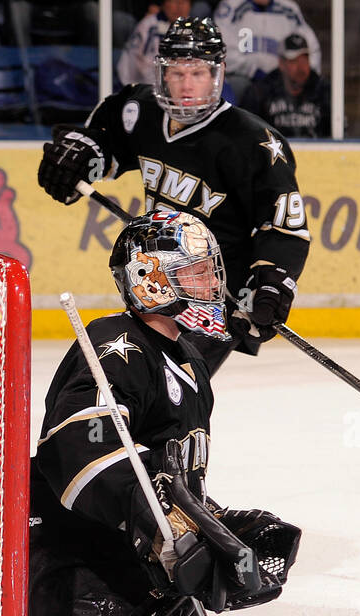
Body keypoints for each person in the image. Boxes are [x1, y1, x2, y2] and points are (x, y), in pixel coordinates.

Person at [25, 210, 301, 616]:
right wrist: (157, 517)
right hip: (76, 561)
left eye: (208, 271)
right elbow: (79, 446)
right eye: (196, 272)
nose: (211, 283)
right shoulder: (115, 343)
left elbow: (172, 473)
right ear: (152, 279)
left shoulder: (190, 360)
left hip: (131, 560)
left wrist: (214, 522)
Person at [37, 17, 310, 375]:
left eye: (197, 74)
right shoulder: (140, 111)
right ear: (162, 74)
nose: (186, 86)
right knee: (133, 378)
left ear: (218, 74)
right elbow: (105, 143)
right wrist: (77, 162)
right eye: (177, 73)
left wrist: (272, 287)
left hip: (213, 293)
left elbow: (283, 226)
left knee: (168, 386)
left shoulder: (252, 142)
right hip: (154, 279)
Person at [240, 32, 330, 137]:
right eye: (294, 61)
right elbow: (245, 134)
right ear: (281, 63)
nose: (301, 67)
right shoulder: (261, 92)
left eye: (305, 59)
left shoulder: (323, 90)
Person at [214, 0, 322, 81]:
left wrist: (303, 74)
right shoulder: (230, 6)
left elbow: (312, 48)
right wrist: (252, 71)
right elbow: (221, 48)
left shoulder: (289, 9)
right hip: (244, 78)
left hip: (282, 81)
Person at [117, 0, 214, 88]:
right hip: (136, 87)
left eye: (184, 2)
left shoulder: (195, 28)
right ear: (163, 4)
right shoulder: (149, 26)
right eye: (174, 1)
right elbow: (142, 69)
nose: (179, 7)